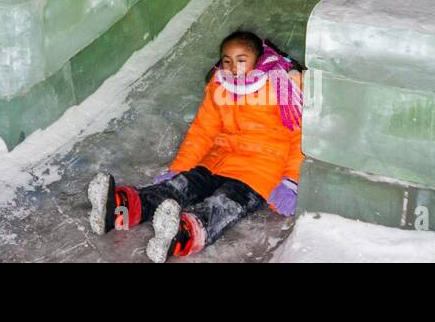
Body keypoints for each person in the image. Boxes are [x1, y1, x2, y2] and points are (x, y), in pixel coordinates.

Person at [87, 30, 304, 262]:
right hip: (216, 161)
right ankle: (121, 208)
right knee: (179, 186)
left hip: (259, 171)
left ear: (258, 60)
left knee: (224, 203)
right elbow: (203, 130)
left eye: (241, 60)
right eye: (227, 60)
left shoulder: (282, 87)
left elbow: (299, 136)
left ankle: (183, 233)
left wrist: (291, 180)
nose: (232, 67)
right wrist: (181, 167)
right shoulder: (219, 86)